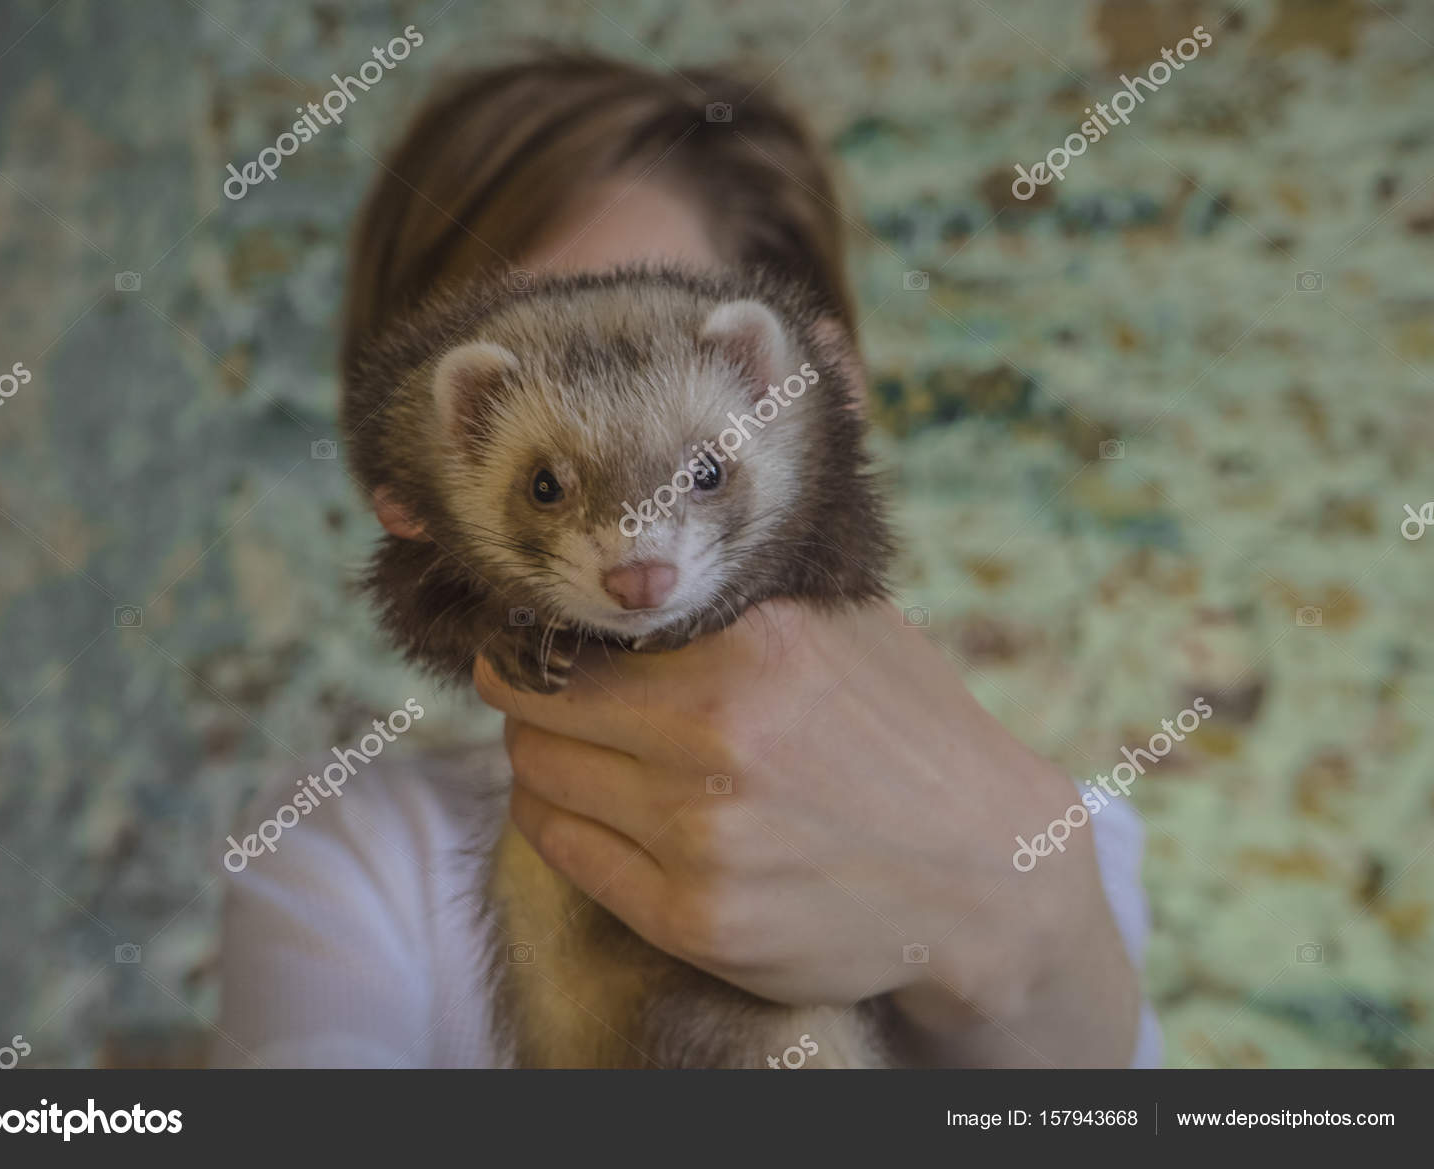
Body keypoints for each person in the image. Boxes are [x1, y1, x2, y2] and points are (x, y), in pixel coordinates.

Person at [216, 51, 1157, 1068]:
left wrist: (1037, 930)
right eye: (548, 483)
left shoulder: (1050, 822)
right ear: (425, 468)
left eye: (702, 471)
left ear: (809, 392)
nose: (639, 555)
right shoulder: (351, 854)